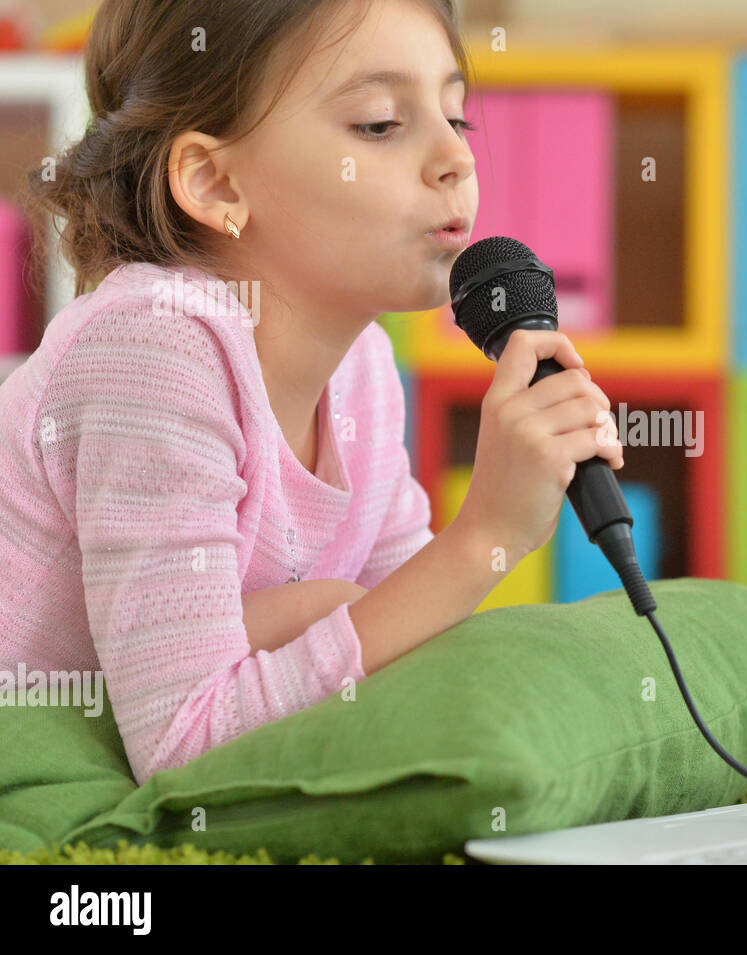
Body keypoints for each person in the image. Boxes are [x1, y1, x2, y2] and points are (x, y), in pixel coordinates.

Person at [1, 0, 623, 785]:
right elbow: (187, 747)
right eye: (378, 124)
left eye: (458, 119)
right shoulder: (151, 348)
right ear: (214, 181)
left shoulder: (364, 369)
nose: (457, 160)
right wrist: (483, 536)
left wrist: (315, 617)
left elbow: (408, 633)